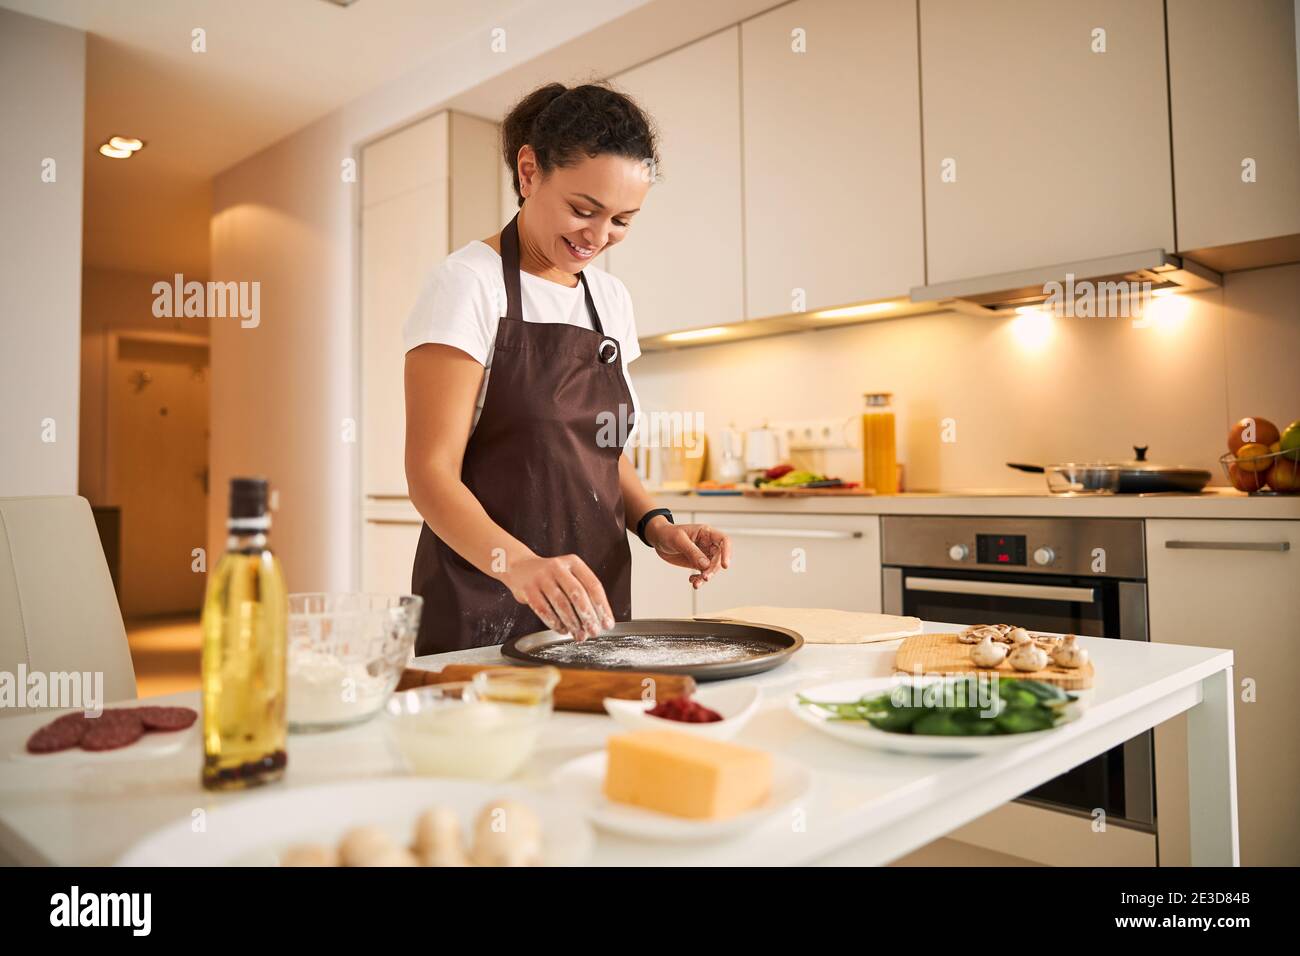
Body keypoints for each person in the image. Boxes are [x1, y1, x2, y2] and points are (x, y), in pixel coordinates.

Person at [403, 82, 731, 655]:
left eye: (622, 221)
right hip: (482, 599)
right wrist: (522, 566)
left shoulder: (610, 300)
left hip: (591, 602)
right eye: (584, 210)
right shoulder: (466, 284)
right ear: (529, 172)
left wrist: (658, 526)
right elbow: (430, 475)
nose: (598, 238)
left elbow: (600, 453)